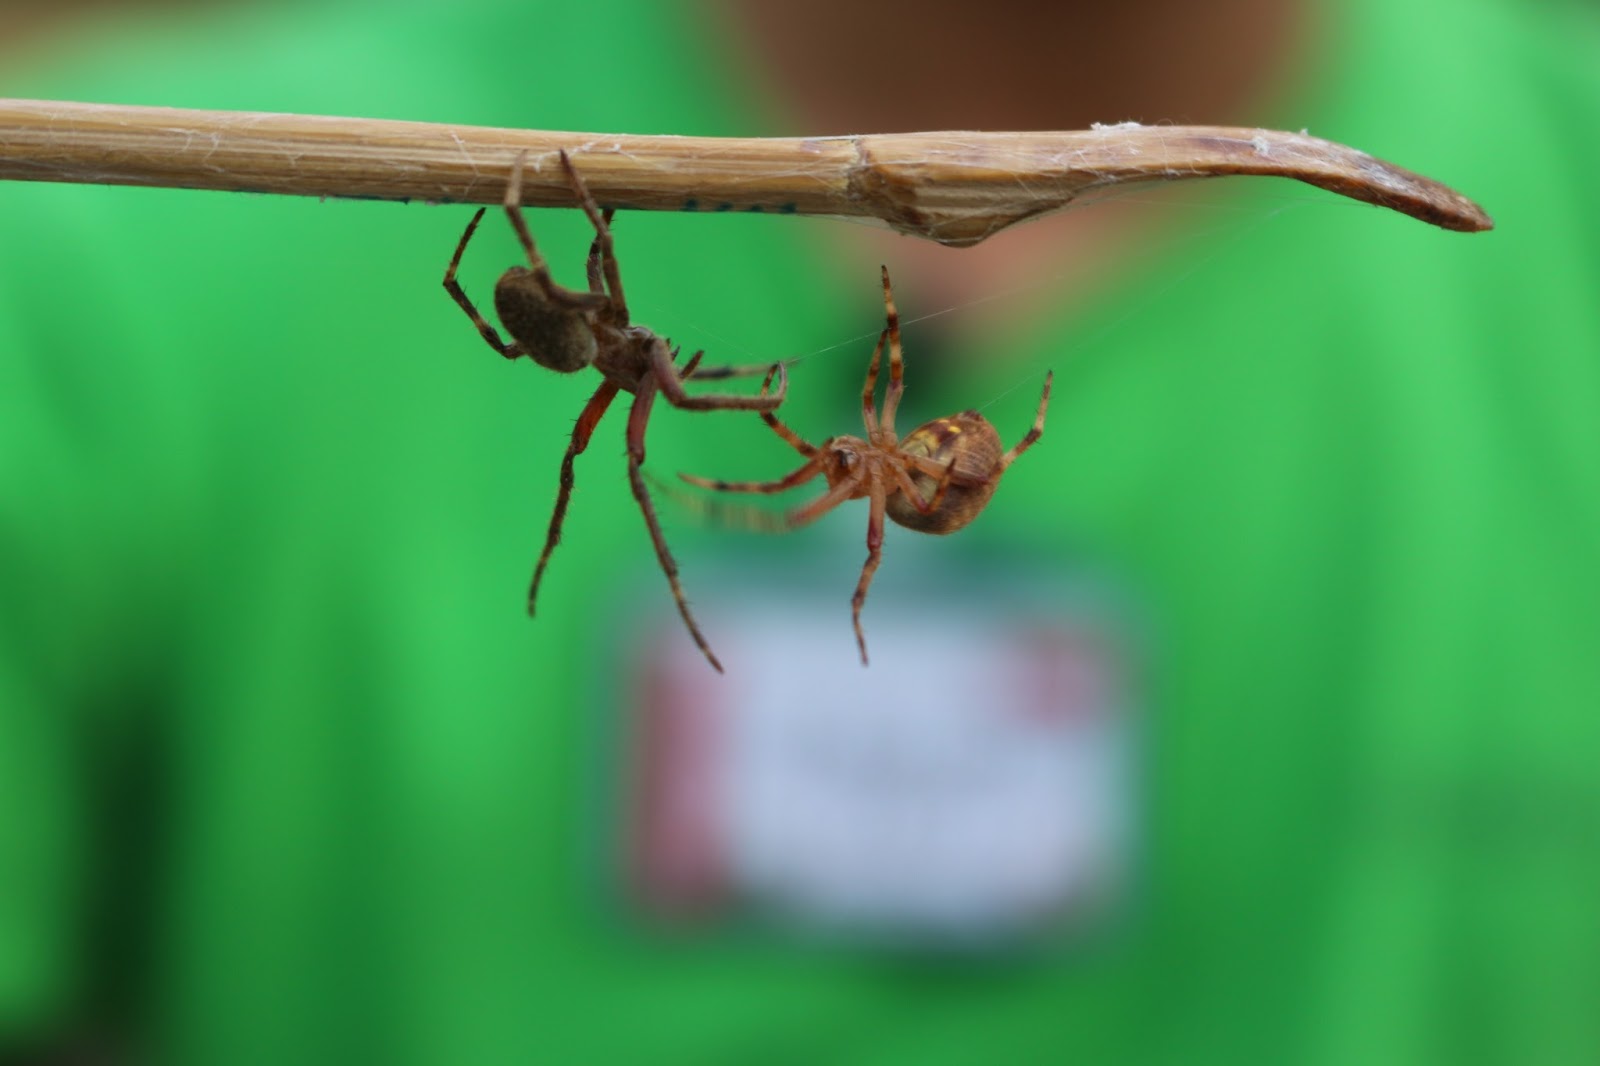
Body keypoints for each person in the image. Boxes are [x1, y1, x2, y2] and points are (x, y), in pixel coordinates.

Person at [1, 0, 1596, 1062]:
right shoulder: (111, 266)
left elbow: (773, 436)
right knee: (647, 462)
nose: (664, 368)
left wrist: (780, 442)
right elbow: (646, 376)